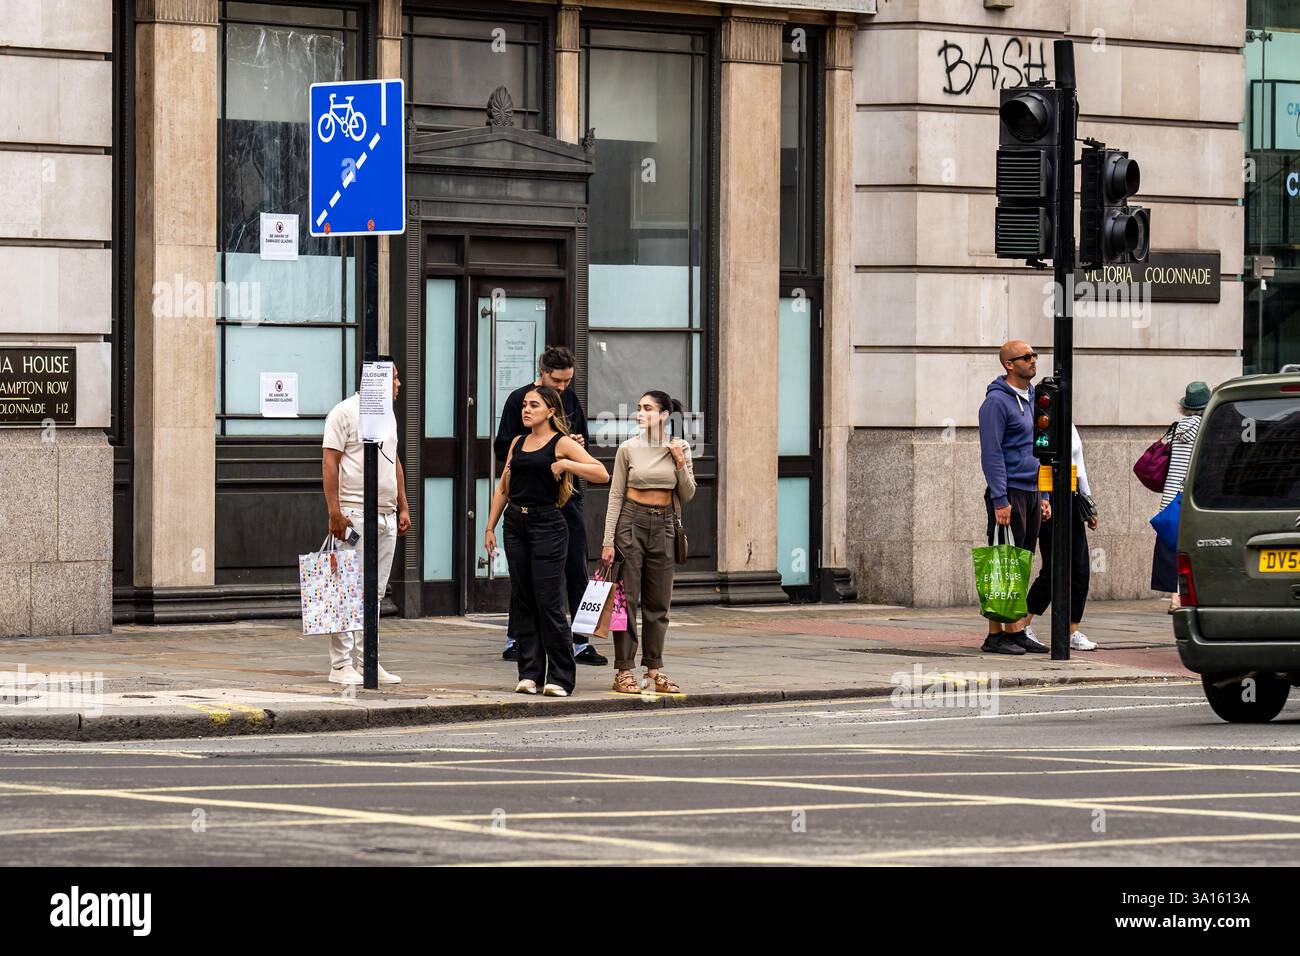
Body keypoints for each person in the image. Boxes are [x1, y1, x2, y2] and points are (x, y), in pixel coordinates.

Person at [484, 385, 608, 697]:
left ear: (550, 411)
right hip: (515, 523)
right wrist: (489, 526)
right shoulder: (517, 442)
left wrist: (566, 464)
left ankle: (561, 677)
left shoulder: (561, 442)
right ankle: (529, 673)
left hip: (548, 525)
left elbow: (600, 473)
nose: (526, 410)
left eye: (534, 405)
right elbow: (504, 487)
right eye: (525, 405)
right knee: (524, 598)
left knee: (549, 600)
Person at [321, 356, 410, 685]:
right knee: (346, 588)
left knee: (374, 592)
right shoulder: (344, 412)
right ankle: (341, 663)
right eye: (395, 379)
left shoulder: (386, 416)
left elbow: (394, 459)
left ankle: (367, 658)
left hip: (386, 516)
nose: (399, 385)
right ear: (376, 381)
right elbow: (330, 462)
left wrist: (403, 505)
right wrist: (335, 511)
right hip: (355, 517)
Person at [601, 391, 696, 695]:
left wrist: (680, 462)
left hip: (665, 524)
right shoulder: (627, 449)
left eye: (647, 408)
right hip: (631, 522)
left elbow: (689, 493)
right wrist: (607, 540)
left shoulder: (679, 447)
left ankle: (654, 670)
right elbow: (615, 495)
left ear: (665, 415)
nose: (639, 413)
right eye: (638, 408)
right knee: (625, 601)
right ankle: (624, 670)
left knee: (658, 602)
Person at [978, 340, 1051, 655]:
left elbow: (1041, 448)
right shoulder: (996, 402)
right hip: (1008, 493)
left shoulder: (1036, 398)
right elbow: (991, 453)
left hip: (1033, 490)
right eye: (1026, 357)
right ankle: (995, 635)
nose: (1033, 360)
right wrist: (999, 500)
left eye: (1034, 355)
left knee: (1021, 562)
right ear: (1009, 364)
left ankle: (1016, 628)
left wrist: (1045, 493)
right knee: (1001, 561)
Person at [1019, 424, 1099, 651]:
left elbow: (1079, 464)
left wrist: (1088, 502)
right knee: (1054, 567)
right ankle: (1023, 624)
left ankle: (1071, 630)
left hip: (1071, 494)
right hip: (1047, 496)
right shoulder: (1041, 420)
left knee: (1080, 567)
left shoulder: (1069, 423)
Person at [1152, 381, 1208, 610]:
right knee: (1193, 548)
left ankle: (1175, 597)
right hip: (1191, 497)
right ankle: (1189, 596)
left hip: (1170, 499)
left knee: (1172, 548)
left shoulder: (1177, 428)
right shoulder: (1203, 428)